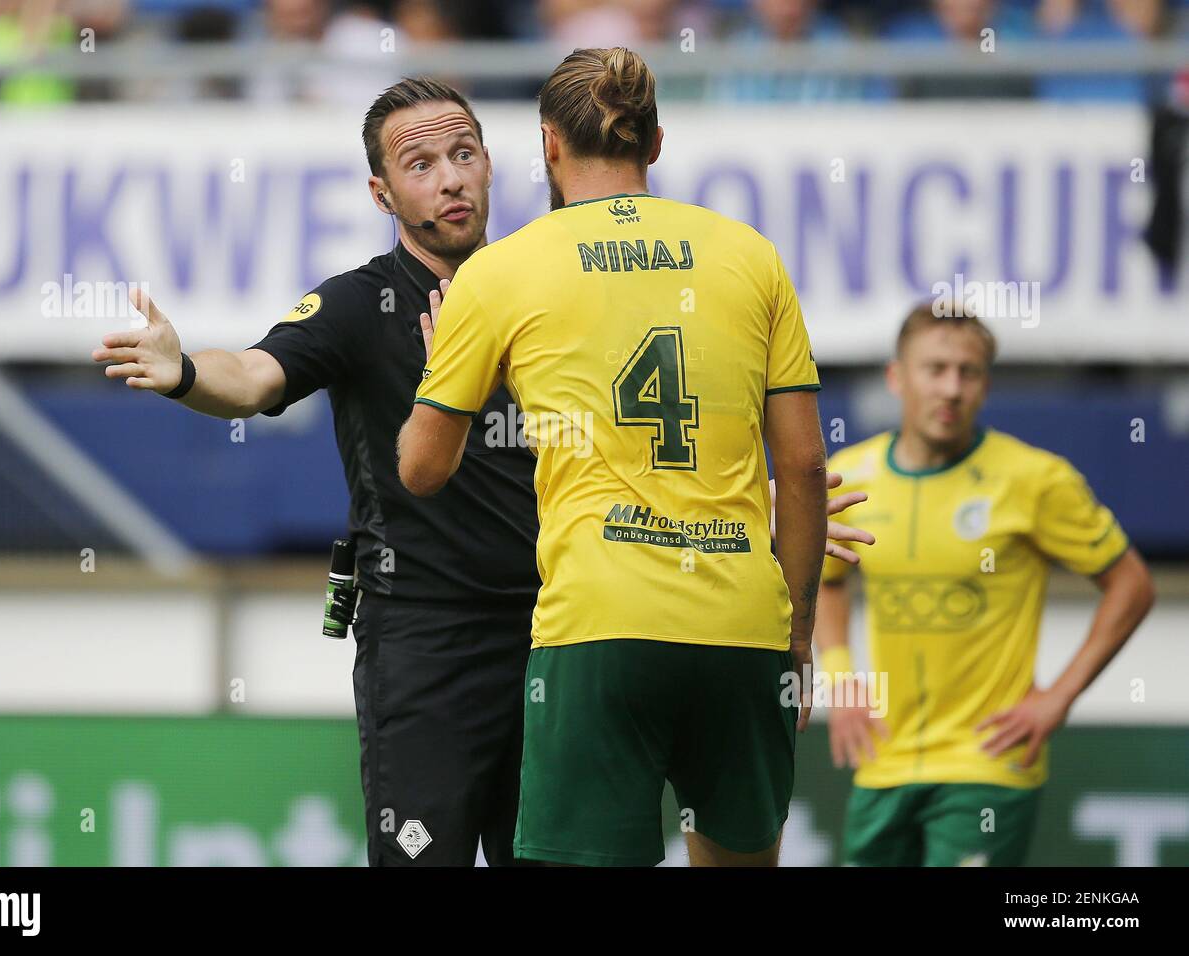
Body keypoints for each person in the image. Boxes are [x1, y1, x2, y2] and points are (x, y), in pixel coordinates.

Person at [94, 74, 868, 867]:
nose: (452, 177)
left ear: (498, 163)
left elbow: (629, 440)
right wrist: (185, 370)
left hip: (556, 632)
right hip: (428, 642)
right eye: (421, 165)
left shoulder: (545, 282)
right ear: (381, 192)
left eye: (464, 153)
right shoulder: (363, 306)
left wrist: (752, 500)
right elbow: (255, 376)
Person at [399, 47, 830, 867]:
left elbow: (423, 470)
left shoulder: (500, 272)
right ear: (656, 142)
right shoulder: (750, 254)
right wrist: (798, 634)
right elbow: (804, 467)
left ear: (548, 145)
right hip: (742, 625)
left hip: (598, 626)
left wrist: (449, 375)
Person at [813, 303, 1156, 866]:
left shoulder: (1035, 480)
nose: (951, 388)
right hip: (884, 760)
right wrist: (842, 679)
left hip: (986, 763)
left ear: (985, 386)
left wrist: (1058, 697)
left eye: (968, 372)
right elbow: (828, 579)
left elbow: (1133, 585)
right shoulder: (853, 476)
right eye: (936, 368)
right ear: (897, 377)